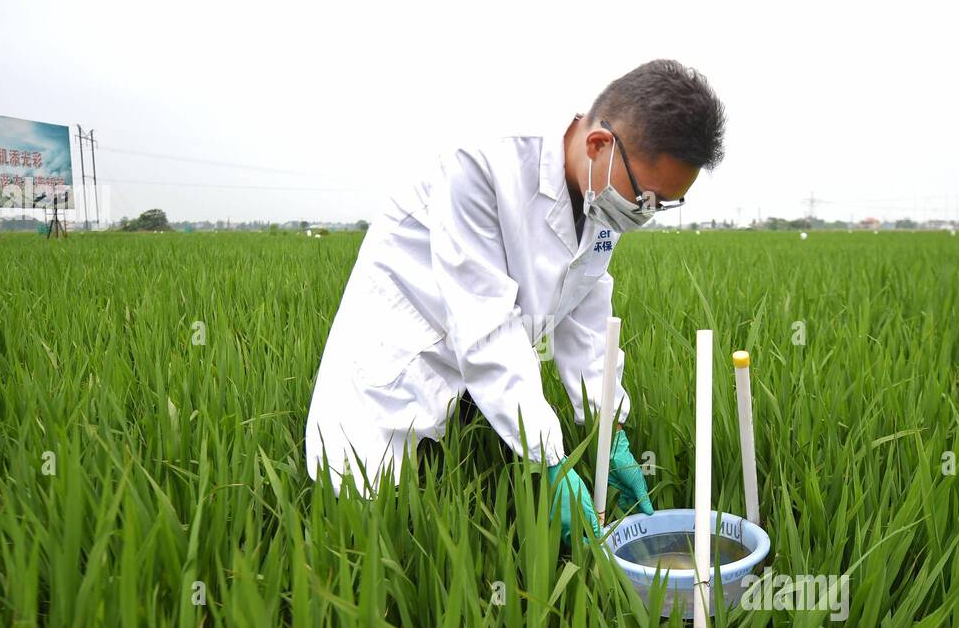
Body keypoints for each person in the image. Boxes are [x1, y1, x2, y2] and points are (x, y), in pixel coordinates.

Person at [305, 59, 726, 540]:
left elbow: (587, 314)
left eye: (662, 205)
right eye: (647, 199)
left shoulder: (604, 193)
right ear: (599, 145)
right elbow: (485, 325)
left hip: (483, 342)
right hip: (408, 335)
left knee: (471, 458)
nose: (645, 215)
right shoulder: (483, 162)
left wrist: (609, 427)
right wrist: (551, 461)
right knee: (370, 509)